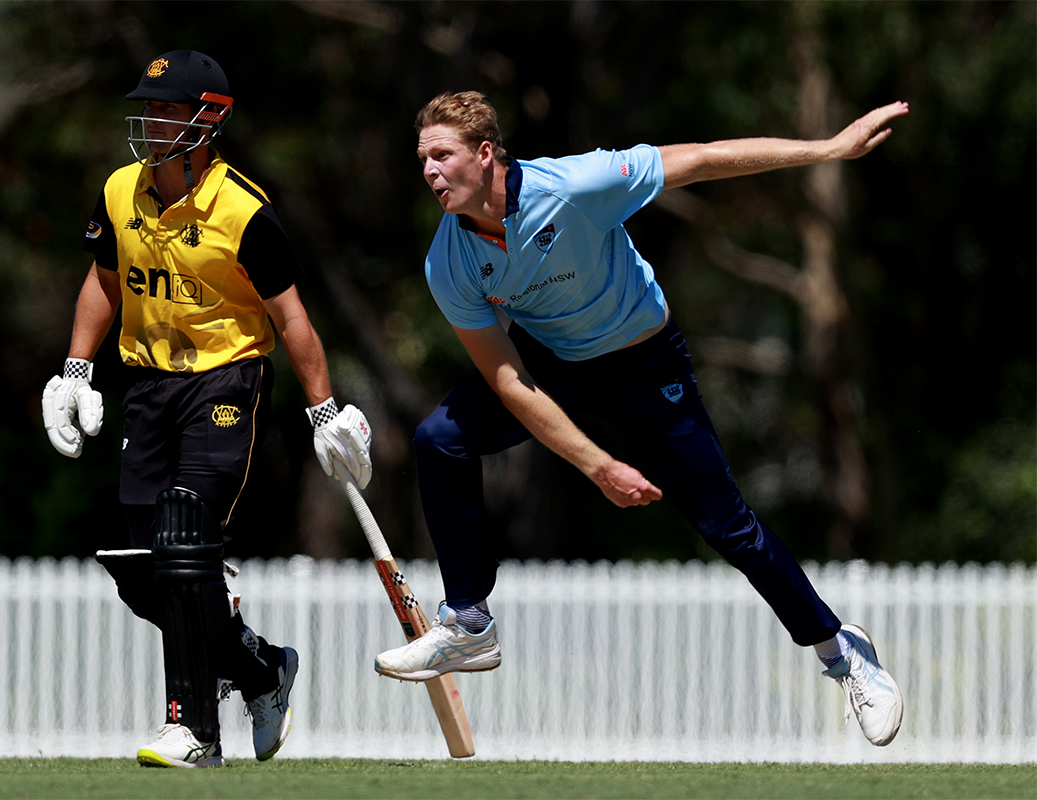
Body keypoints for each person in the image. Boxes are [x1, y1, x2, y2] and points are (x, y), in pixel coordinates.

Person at [374, 91, 906, 747]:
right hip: (557, 364)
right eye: (421, 158)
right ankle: (469, 621)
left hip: (644, 365)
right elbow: (508, 379)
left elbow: (707, 159)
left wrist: (828, 149)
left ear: (485, 155)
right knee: (440, 440)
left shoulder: (577, 185)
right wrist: (598, 465)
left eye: (441, 156)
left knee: (727, 526)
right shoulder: (448, 260)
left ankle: (840, 651)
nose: (428, 172)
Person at [41, 50, 373, 768]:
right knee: (147, 569)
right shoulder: (118, 190)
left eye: (166, 109)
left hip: (225, 381)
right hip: (147, 387)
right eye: (147, 108)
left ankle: (193, 733)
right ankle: (258, 669)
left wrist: (324, 411)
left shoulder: (244, 210)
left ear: (207, 118)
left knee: (185, 541)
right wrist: (74, 370)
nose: (151, 122)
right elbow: (104, 282)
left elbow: (291, 318)